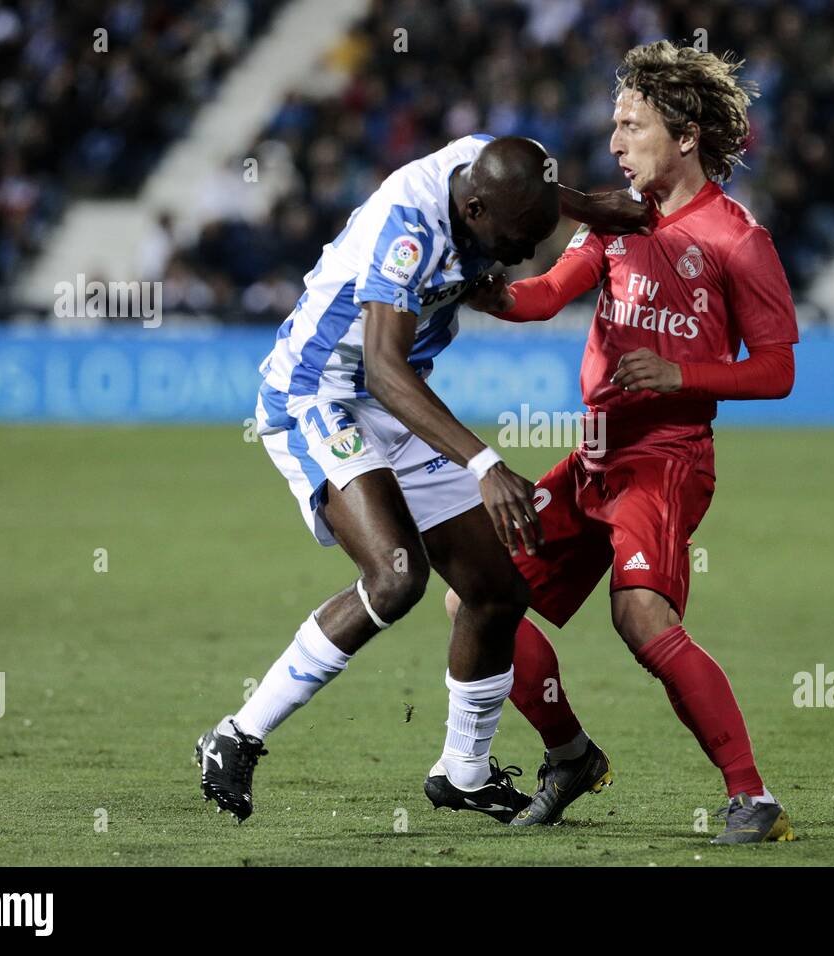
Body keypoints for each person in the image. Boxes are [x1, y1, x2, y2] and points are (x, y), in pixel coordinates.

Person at [195, 133, 649, 823]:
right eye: (514, 237)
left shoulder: (495, 178)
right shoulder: (407, 230)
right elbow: (382, 365)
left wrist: (590, 207)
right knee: (397, 576)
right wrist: (485, 464)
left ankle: (464, 771)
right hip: (325, 394)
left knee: (497, 591)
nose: (525, 253)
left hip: (397, 398)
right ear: (471, 209)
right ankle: (236, 736)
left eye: (534, 233)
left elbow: (531, 191)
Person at [454, 42, 799, 844]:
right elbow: (540, 298)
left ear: (685, 135)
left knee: (641, 617)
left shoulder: (738, 239)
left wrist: (681, 374)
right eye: (614, 123)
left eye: (630, 124)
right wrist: (469, 283)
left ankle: (754, 799)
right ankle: (570, 754)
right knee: (478, 598)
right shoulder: (616, 220)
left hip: (667, 457)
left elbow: (778, 370)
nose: (614, 141)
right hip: (594, 457)